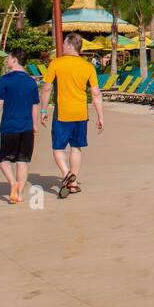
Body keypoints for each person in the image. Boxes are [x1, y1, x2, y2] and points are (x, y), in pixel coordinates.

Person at [40, 33, 104, 199]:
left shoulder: (56, 63)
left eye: (63, 44)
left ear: (69, 46)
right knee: (76, 147)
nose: (61, 47)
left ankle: (67, 174)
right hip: (81, 114)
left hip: (63, 114)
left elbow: (47, 89)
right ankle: (73, 184)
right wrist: (100, 116)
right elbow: (96, 93)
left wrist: (43, 110)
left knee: (58, 148)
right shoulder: (88, 67)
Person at [0, 49, 40, 205]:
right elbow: (35, 105)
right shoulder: (31, 81)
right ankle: (18, 194)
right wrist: (34, 124)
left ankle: (12, 183)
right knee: (22, 160)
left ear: (14, 60)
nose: (7, 60)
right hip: (26, 127)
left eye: (8, 58)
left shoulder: (4, 80)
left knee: (3, 158)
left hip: (9, 126)